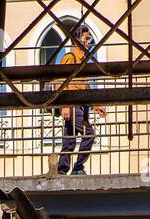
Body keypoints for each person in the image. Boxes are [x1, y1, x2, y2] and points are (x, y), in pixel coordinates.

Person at [52, 24, 105, 176]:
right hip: (72, 105)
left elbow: (85, 87)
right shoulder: (70, 57)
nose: (89, 42)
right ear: (77, 40)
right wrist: (65, 105)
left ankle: (62, 170)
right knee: (89, 134)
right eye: (86, 38)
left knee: (69, 140)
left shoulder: (82, 60)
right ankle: (78, 167)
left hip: (79, 106)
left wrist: (95, 106)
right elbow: (61, 82)